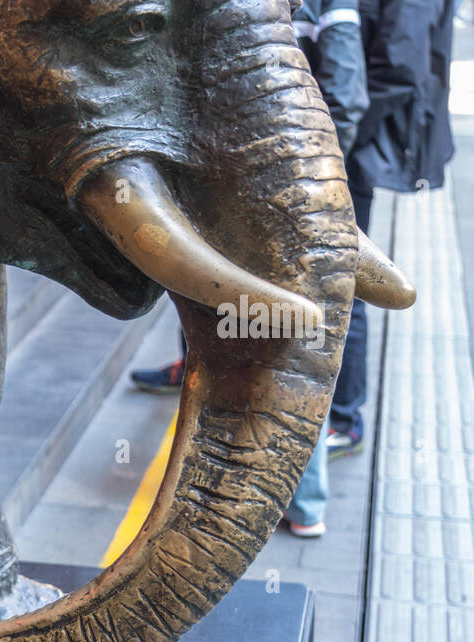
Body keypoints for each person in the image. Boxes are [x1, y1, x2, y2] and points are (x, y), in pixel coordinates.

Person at [130, 0, 368, 536]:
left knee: (286, 346)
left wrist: (313, 189)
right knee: (251, 333)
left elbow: (347, 97)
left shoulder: (332, 8)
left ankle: (295, 499)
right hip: (242, 190)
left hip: (282, 202)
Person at [327, 0, 458, 458]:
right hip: (352, 136)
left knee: (344, 281)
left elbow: (400, 66)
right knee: (342, 278)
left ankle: (344, 417)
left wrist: (338, 138)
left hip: (351, 145)